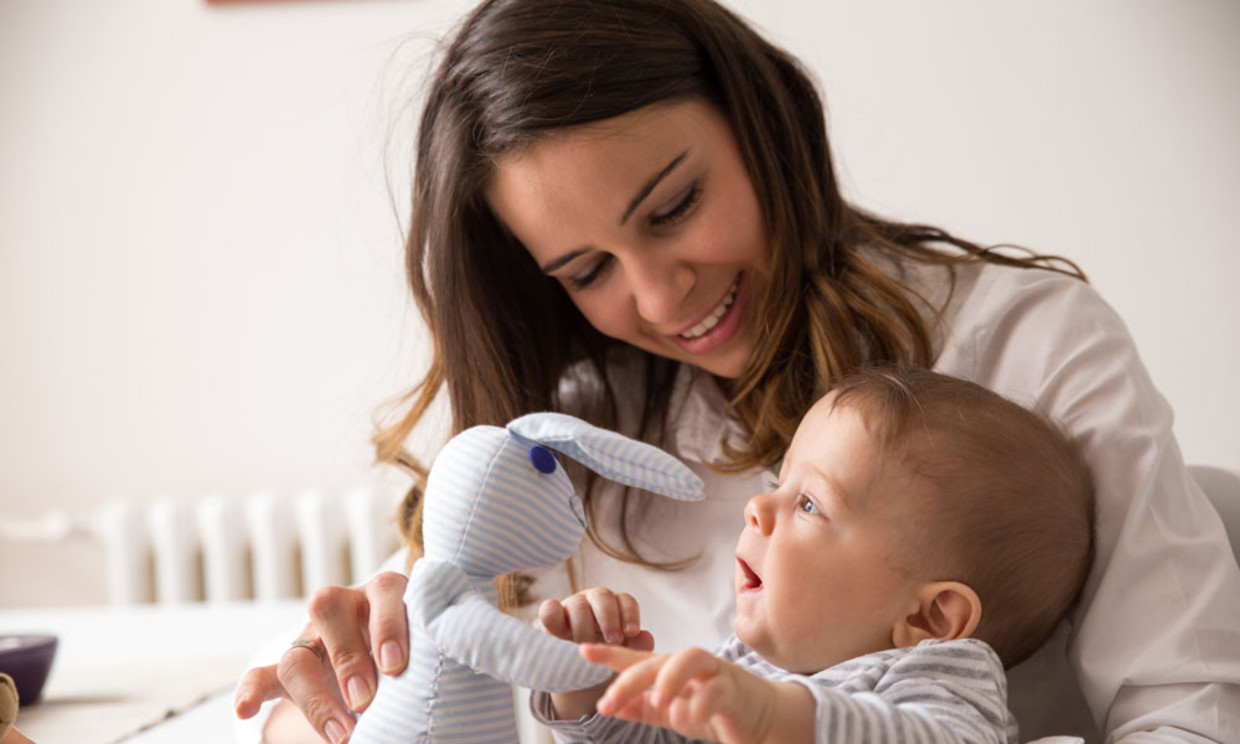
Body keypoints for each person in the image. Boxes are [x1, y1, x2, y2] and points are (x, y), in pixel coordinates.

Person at [232, 0, 1240, 742]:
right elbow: (402, 698)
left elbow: (1186, 713)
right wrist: (337, 699)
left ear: (761, 123)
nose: (663, 301)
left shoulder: (1028, 344)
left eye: (671, 208)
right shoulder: (567, 436)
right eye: (585, 270)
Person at [531, 366, 1095, 742]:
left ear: (931, 618)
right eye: (779, 481)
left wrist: (781, 717)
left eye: (807, 503)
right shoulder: (748, 670)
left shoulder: (937, 680)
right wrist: (589, 686)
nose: (757, 507)